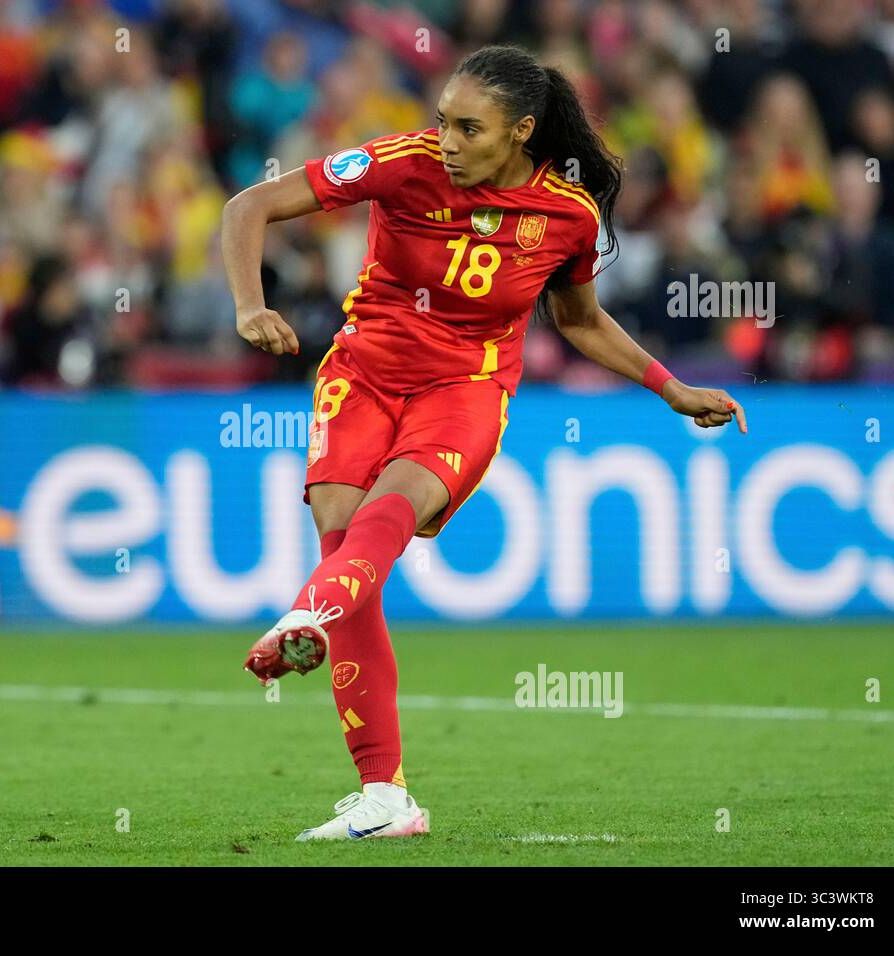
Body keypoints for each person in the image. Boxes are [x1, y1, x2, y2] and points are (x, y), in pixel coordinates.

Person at [219, 45, 748, 843]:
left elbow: (577, 322)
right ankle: (385, 796)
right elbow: (246, 206)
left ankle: (308, 615)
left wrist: (669, 389)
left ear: (521, 132)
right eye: (443, 123)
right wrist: (248, 305)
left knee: (384, 520)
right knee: (346, 544)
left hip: (464, 390)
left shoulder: (567, 215)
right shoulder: (401, 164)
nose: (449, 143)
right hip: (362, 371)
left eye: (470, 129)